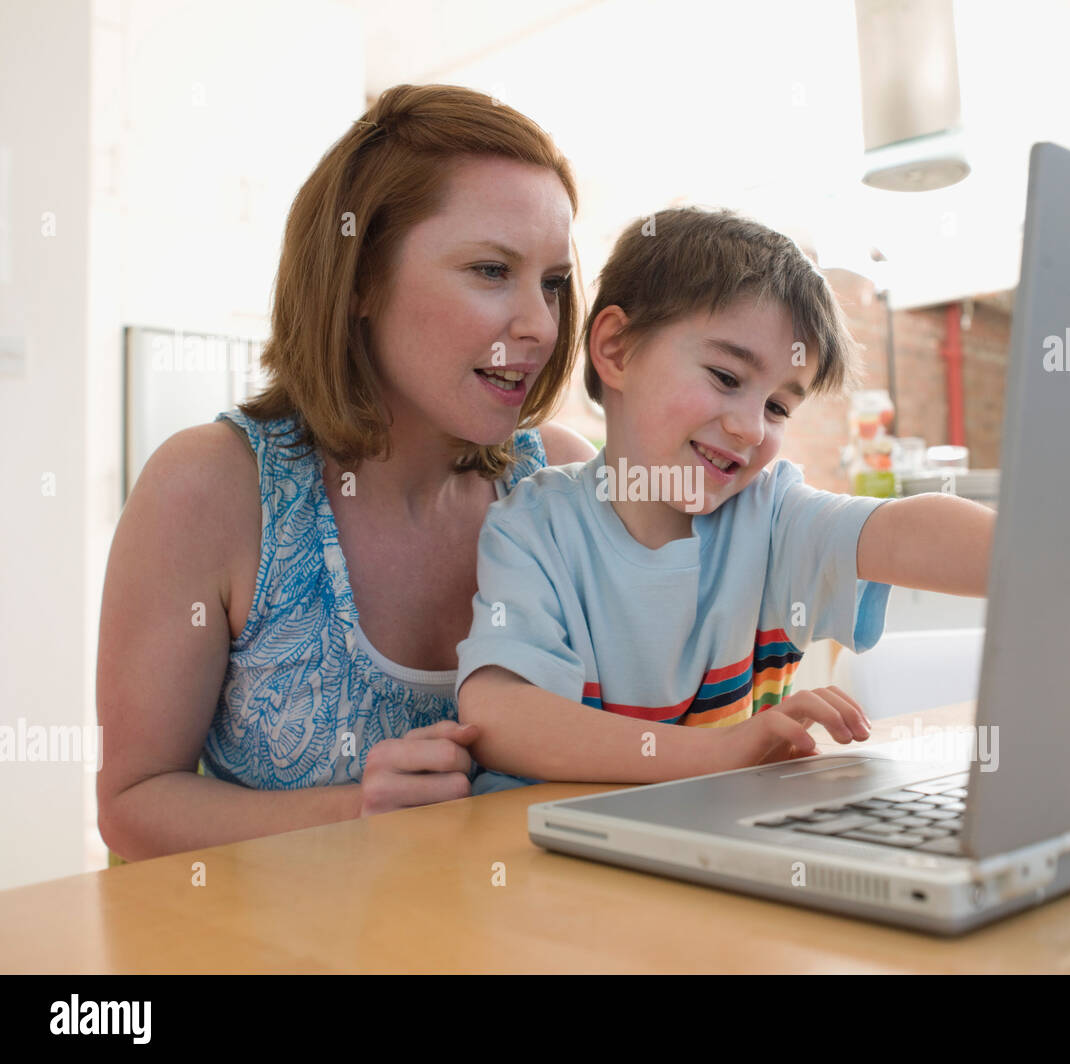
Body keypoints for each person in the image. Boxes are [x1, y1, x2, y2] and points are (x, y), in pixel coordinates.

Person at [96, 84, 595, 862]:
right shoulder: (211, 487)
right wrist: (356, 811)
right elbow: (133, 805)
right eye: (492, 270)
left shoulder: (560, 482)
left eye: (553, 282)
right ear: (360, 278)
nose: (539, 323)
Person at [455, 207, 996, 783]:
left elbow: (907, 532)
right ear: (615, 349)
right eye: (726, 378)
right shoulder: (535, 527)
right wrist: (722, 753)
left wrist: (1057, 561)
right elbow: (501, 717)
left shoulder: (773, 517)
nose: (752, 428)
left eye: (778, 406)